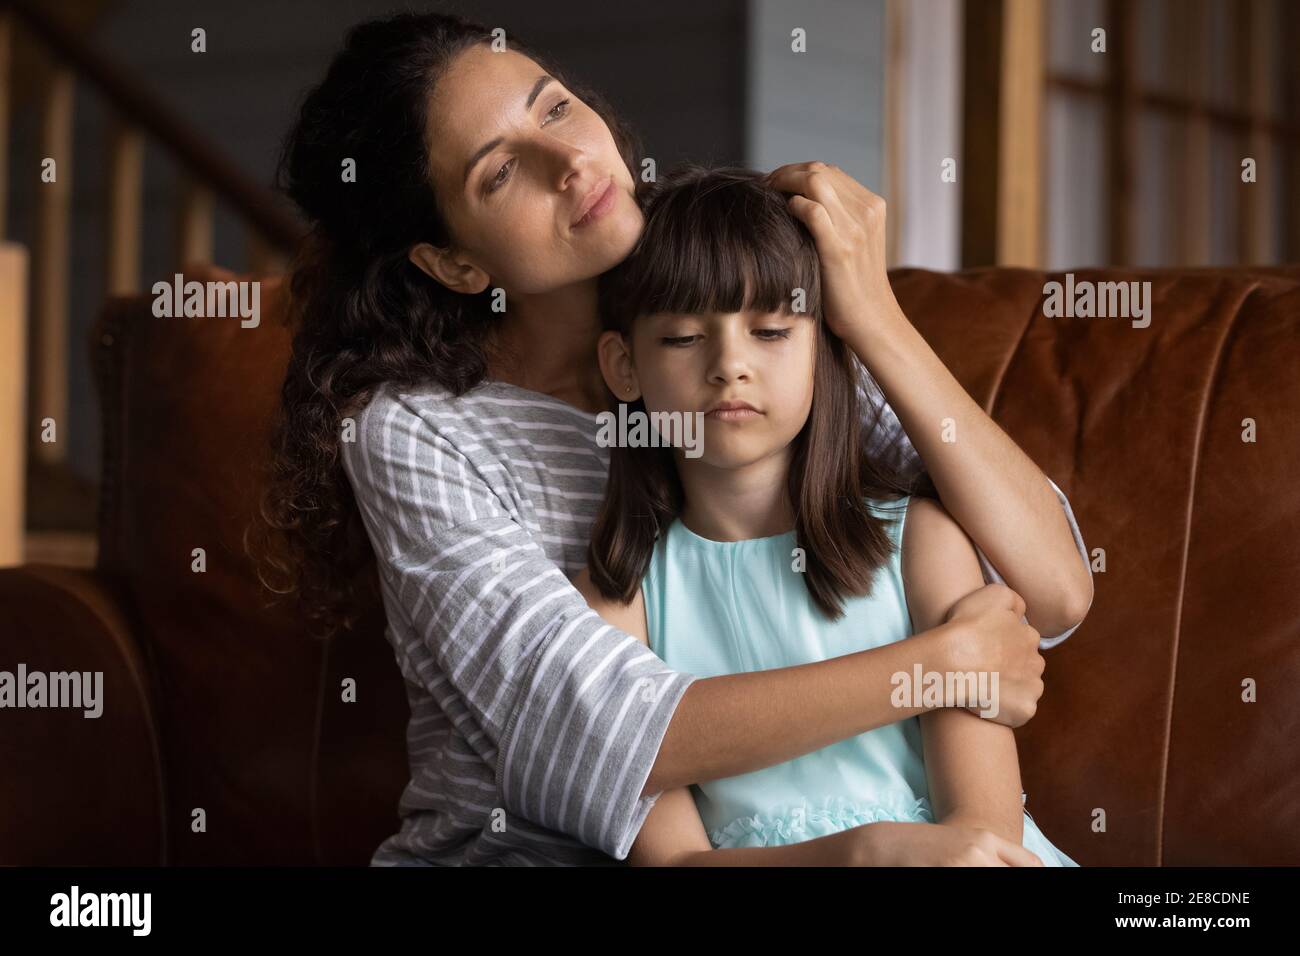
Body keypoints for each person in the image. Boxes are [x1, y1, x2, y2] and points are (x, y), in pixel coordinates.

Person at [254, 11, 1093, 866]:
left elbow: (1053, 590)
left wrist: (872, 317)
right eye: (502, 172)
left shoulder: (736, 297)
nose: (572, 161)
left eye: (555, 108)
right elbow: (597, 737)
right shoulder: (415, 432)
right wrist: (939, 666)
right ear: (455, 264)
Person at [575, 165, 1078, 865]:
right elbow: (677, 863)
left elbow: (985, 832)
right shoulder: (621, 591)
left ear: (825, 348)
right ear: (622, 366)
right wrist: (862, 853)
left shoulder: (920, 543)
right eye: (685, 338)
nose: (730, 365)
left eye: (772, 330)